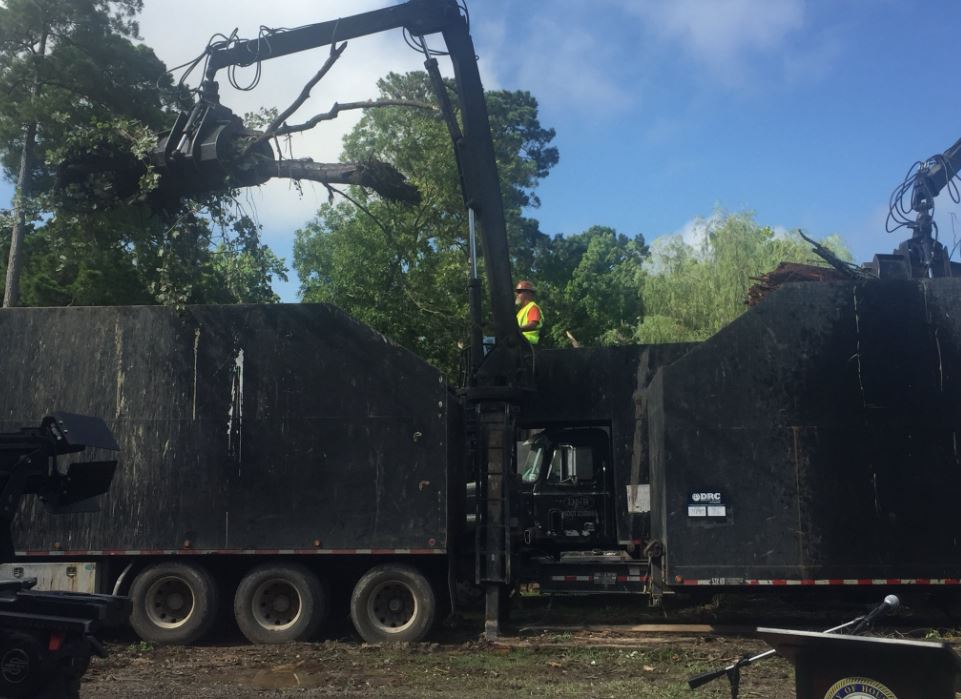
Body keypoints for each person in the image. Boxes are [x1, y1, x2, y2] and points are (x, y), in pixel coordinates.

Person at [514, 280, 543, 345]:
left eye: (519, 292)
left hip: (528, 343)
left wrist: (515, 329)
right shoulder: (521, 310)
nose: (516, 294)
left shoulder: (532, 307)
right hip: (522, 341)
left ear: (528, 293)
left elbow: (533, 325)